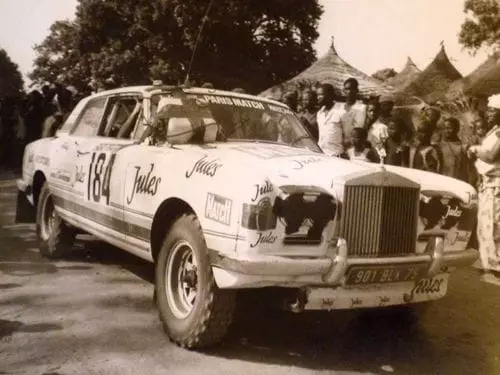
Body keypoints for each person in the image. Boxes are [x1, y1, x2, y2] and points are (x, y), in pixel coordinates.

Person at [467, 96, 500, 285]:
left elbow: (491, 155)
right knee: (486, 224)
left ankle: (495, 268)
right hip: (488, 184)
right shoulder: (494, 131)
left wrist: (473, 149)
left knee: (494, 225)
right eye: (488, 110)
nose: (488, 113)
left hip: (496, 185)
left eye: (492, 111)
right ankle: (488, 262)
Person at [316, 83, 345, 157]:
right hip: (321, 154)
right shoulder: (319, 113)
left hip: (336, 155)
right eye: (317, 95)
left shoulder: (341, 111)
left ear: (330, 95)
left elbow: (347, 135)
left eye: (321, 94)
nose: (318, 97)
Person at [438, 117, 469, 182]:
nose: (446, 131)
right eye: (444, 128)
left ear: (457, 129)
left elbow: (466, 168)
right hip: (442, 180)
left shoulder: (464, 146)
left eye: (449, 128)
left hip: (458, 181)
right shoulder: (440, 146)